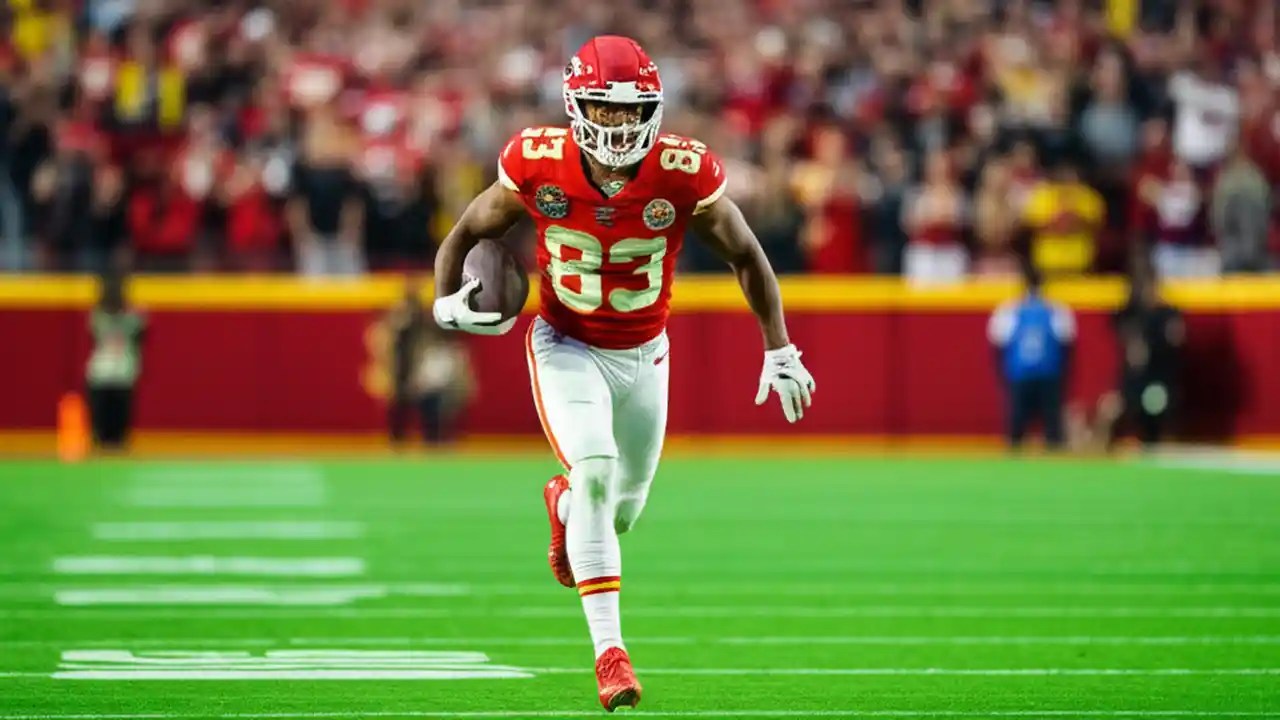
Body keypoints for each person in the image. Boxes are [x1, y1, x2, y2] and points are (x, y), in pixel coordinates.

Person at [430, 36, 815, 712]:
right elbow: (467, 230)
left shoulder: (682, 171)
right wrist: (445, 299)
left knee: (622, 512)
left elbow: (747, 254)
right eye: (604, 111)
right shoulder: (537, 161)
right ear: (577, 107)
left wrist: (778, 347)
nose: (618, 126)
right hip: (566, 343)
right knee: (599, 471)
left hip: (646, 353)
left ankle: (563, 504)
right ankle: (611, 654)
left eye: (630, 112)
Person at [987, 261, 1076, 450]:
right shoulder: (1055, 310)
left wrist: (1003, 373)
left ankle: (1017, 456)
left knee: (1025, 423)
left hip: (1024, 373)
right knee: (1044, 423)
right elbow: (1067, 343)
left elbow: (997, 343)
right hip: (1045, 372)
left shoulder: (1010, 310)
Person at [1095, 267, 1185, 450]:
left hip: (1157, 382)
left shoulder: (1167, 314)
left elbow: (1177, 337)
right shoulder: (1132, 312)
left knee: (1153, 419)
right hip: (1133, 382)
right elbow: (1116, 323)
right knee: (1110, 410)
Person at [85, 270, 146, 451]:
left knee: (115, 433)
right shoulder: (100, 316)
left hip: (119, 374)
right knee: (105, 433)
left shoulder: (130, 317)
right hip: (105, 374)